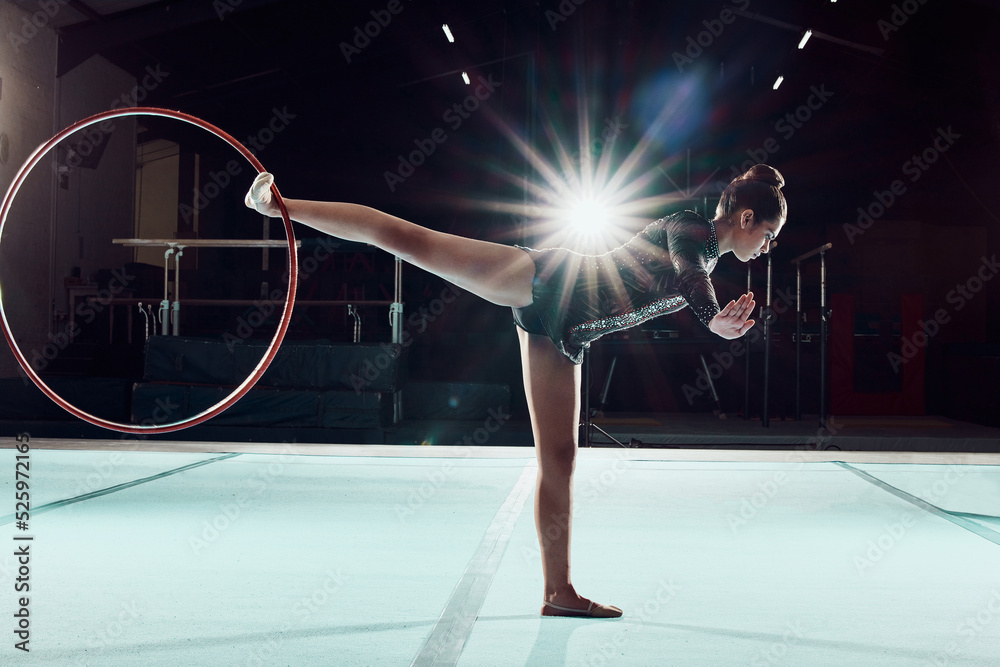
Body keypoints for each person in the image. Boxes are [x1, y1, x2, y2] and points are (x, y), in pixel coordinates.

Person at [244, 163, 787, 618]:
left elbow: (694, 280)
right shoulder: (691, 230)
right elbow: (691, 275)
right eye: (768, 235)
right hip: (547, 281)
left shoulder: (707, 249)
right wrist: (713, 319)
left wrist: (713, 317)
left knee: (559, 458)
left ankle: (559, 592)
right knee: (408, 239)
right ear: (745, 218)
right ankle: (279, 206)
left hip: (568, 332)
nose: (768, 247)